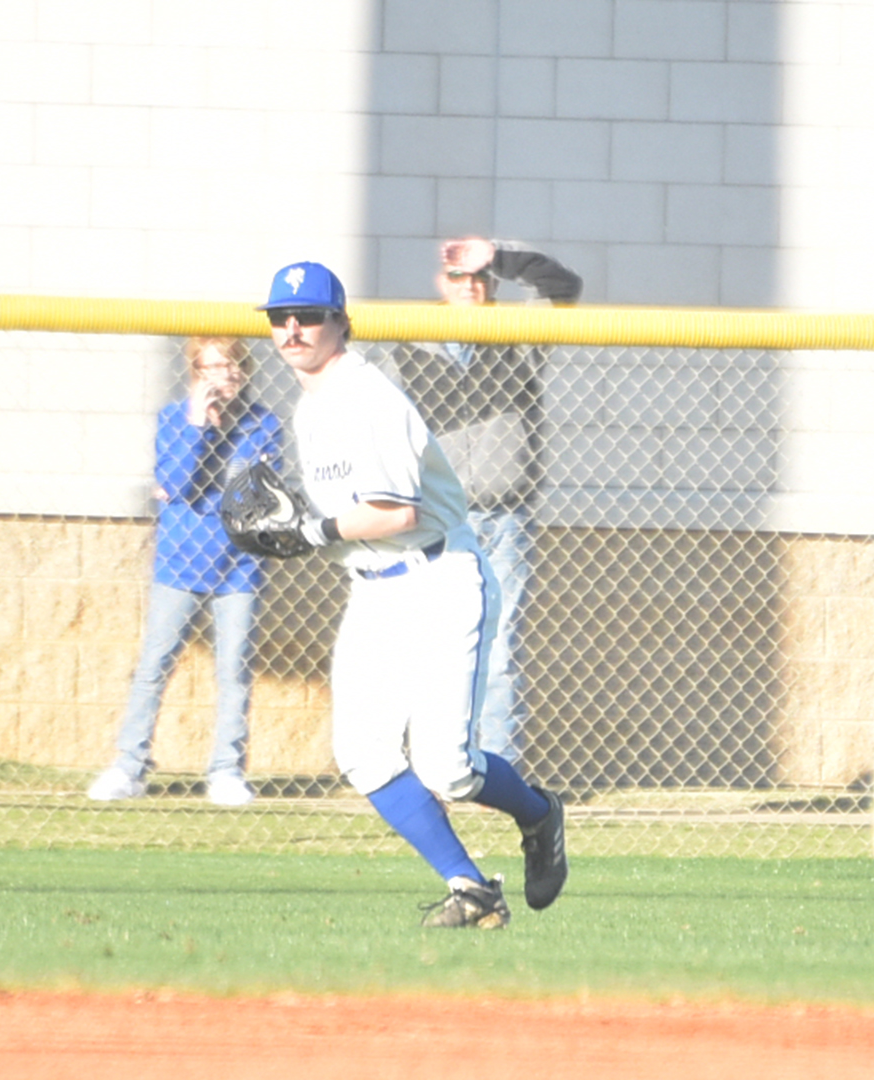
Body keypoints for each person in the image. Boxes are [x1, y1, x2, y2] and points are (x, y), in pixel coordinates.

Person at [258, 260, 567, 928]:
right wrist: (290, 534)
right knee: (363, 755)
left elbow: (395, 513)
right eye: (280, 319)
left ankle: (540, 816)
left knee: (449, 770)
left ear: (340, 323)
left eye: (309, 316)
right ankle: (472, 887)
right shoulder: (309, 411)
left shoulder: (370, 398)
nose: (293, 330)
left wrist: (309, 530)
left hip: (439, 581)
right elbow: (347, 526)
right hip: (372, 592)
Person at [390, 237, 581, 763]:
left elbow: (564, 287)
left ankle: (495, 767)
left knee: (498, 653)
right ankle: (436, 760)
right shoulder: (409, 345)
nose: (471, 287)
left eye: (480, 279)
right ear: (440, 284)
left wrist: (495, 255)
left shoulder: (517, 336)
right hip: (439, 522)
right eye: (459, 277)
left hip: (505, 518)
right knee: (435, 647)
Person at [87, 336, 282, 807]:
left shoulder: (263, 424)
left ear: (244, 370)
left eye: (231, 366)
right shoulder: (175, 418)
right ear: (195, 372)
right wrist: (199, 425)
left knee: (234, 667)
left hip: (238, 564)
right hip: (179, 562)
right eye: (211, 367)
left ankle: (226, 771)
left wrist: (201, 487)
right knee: (154, 665)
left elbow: (257, 492)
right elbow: (178, 484)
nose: (223, 376)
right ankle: (129, 767)